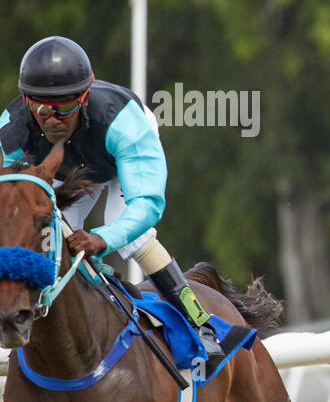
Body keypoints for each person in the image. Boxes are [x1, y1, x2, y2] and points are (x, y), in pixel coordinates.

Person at [0, 36, 226, 361]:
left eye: (64, 108)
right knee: (52, 237)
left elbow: (147, 204)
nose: (51, 119)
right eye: (40, 108)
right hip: (64, 165)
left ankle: (200, 323)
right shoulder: (11, 132)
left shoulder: (124, 124)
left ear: (85, 95)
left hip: (115, 160)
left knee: (131, 240)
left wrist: (101, 239)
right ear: (25, 100)